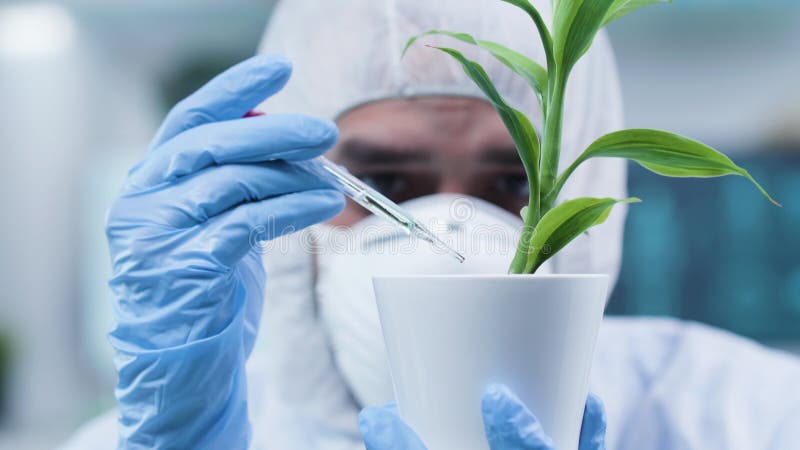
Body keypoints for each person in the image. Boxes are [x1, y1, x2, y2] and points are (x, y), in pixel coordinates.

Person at [62, 0, 800, 449]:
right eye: (384, 184)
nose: (448, 237)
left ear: (588, 204)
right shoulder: (166, 439)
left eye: (514, 184)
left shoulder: (744, 420)